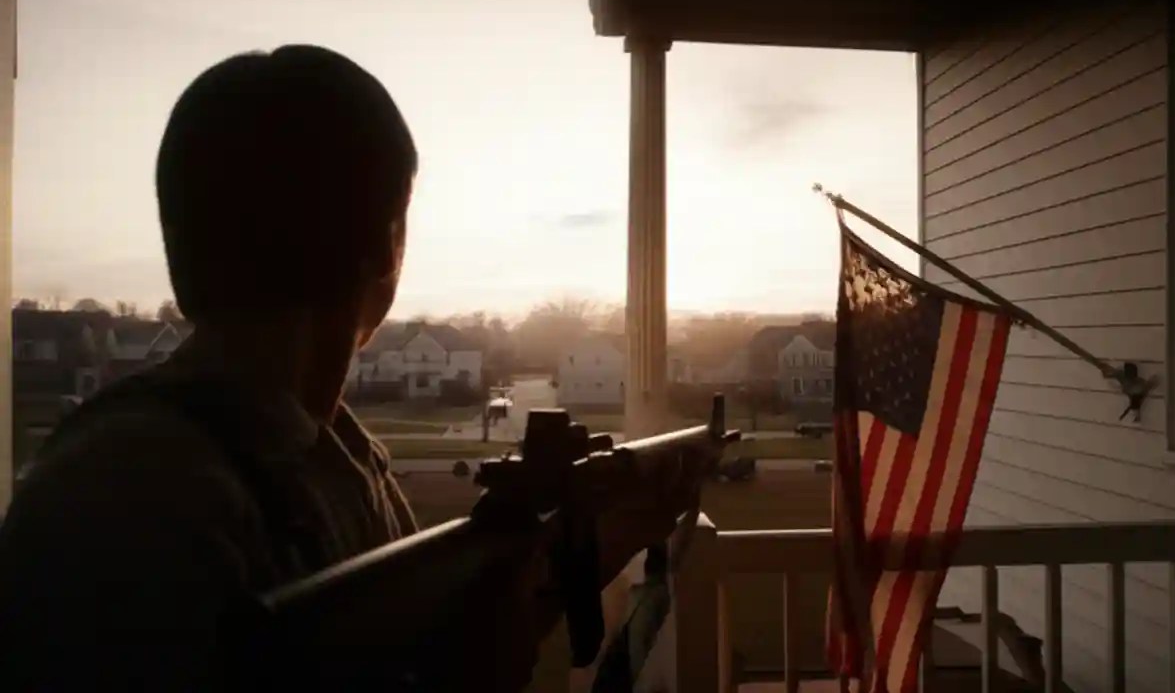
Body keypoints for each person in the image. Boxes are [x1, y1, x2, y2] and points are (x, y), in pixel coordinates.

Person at [0, 45, 684, 691]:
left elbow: (408, 659)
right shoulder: (125, 496)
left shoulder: (327, 454)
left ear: (178, 257)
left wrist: (587, 553)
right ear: (389, 248)